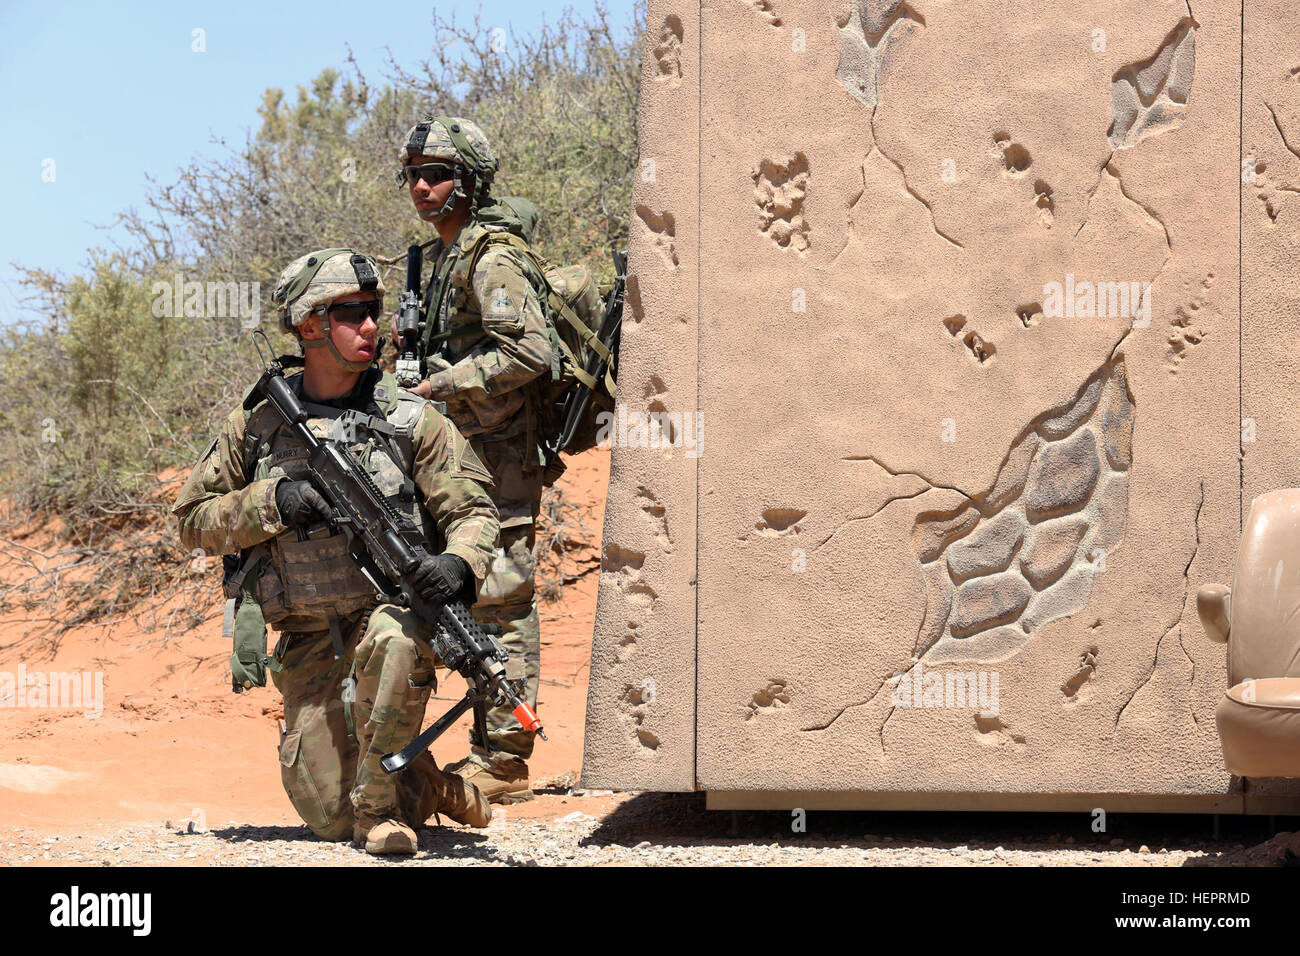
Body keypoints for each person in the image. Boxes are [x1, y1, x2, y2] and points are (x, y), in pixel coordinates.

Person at [173, 248, 501, 855]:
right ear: (308, 326)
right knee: (326, 815)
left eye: (373, 311)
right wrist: (274, 501)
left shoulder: (411, 420)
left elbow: (474, 513)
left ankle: (381, 817)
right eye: (351, 313)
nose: (371, 326)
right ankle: (428, 786)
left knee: (398, 640)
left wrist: (458, 563)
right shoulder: (258, 424)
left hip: (386, 618)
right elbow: (191, 522)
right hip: (307, 635)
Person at [393, 116, 551, 804]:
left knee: (503, 604)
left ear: (471, 182)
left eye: (438, 175)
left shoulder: (492, 258)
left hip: (499, 460)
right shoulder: (435, 260)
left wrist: (438, 383)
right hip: (452, 463)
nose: (422, 188)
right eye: (414, 176)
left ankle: (505, 763)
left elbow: (529, 352)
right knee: (448, 600)